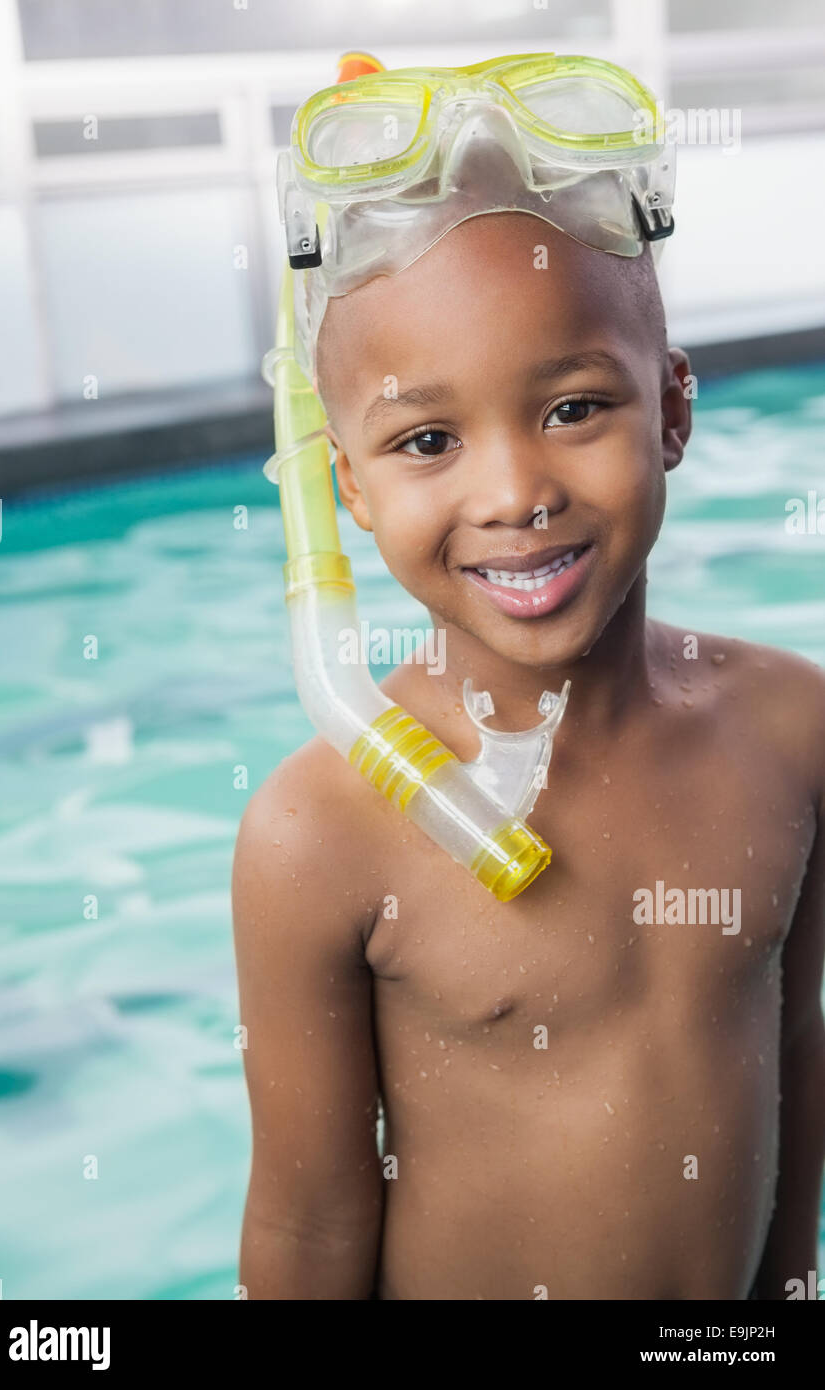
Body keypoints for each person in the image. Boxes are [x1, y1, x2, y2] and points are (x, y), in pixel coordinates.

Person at [232, 52, 825, 1299]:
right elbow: (305, 1228)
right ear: (347, 487)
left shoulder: (793, 731)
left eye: (571, 409)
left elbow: (794, 1066)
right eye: (427, 439)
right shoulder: (318, 834)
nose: (512, 494)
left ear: (670, 408)